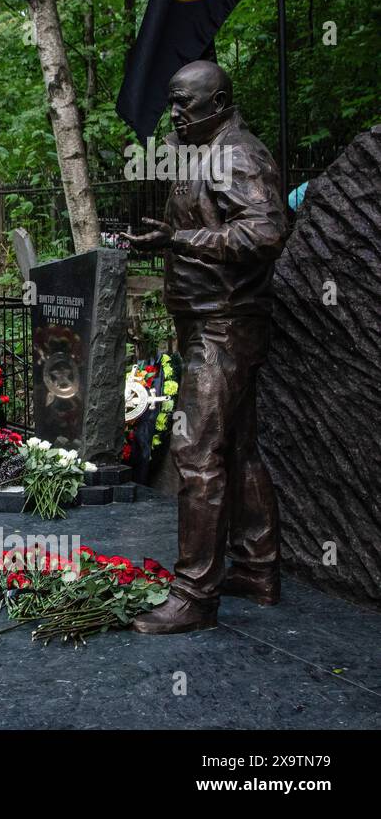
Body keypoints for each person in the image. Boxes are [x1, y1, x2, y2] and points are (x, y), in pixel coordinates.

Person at [126, 61, 288, 634]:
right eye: (171, 103)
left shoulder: (236, 153)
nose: (174, 115)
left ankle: (195, 593)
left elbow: (267, 231)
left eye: (183, 105)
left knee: (196, 451)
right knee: (239, 448)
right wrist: (167, 239)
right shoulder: (205, 152)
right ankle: (256, 567)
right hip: (210, 323)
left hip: (225, 327)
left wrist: (182, 238)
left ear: (217, 105)